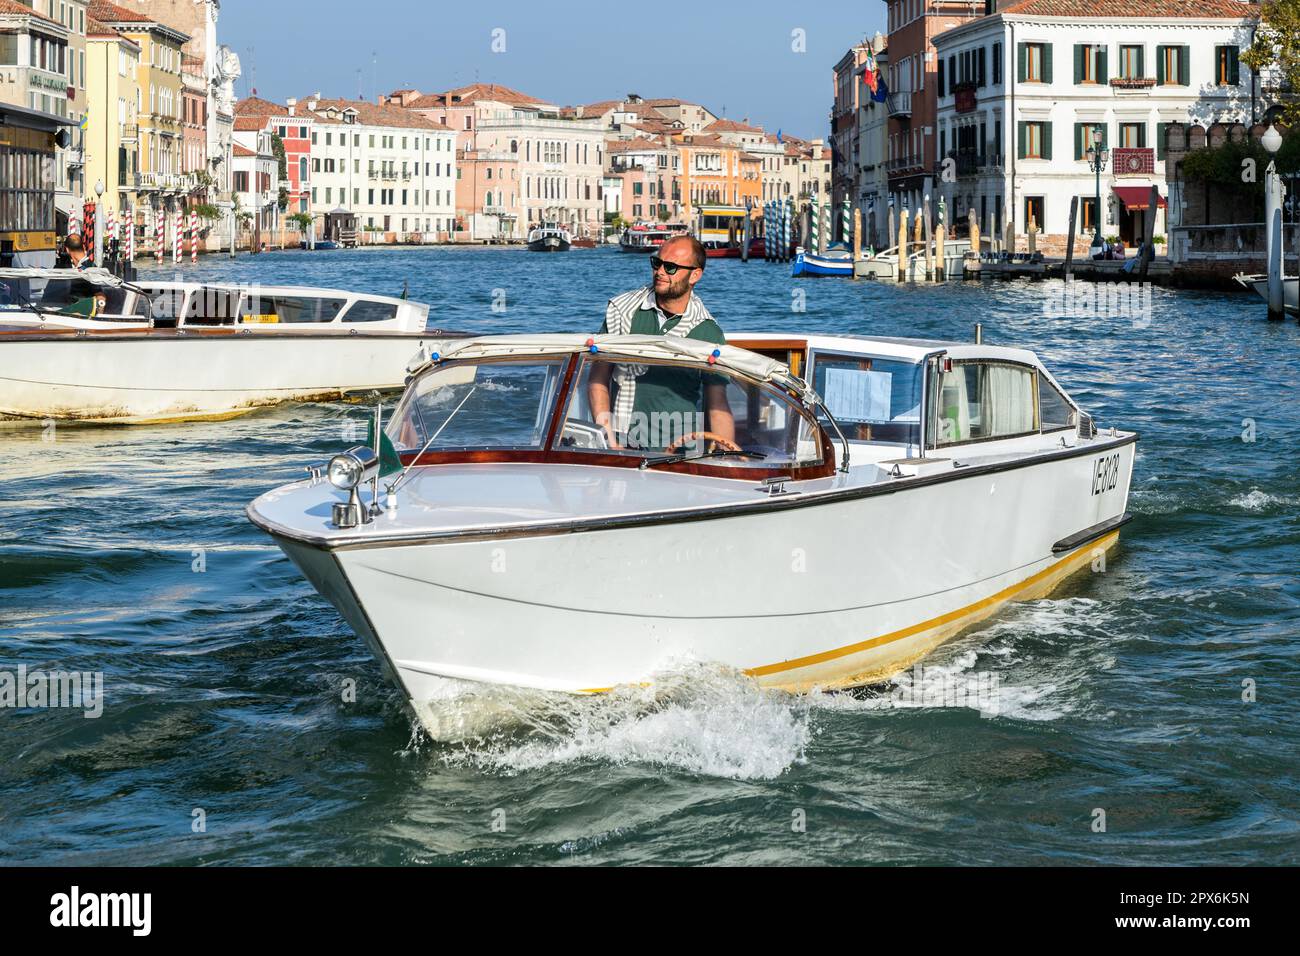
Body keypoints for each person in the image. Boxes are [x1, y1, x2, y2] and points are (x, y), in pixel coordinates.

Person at [588, 235, 735, 451]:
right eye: (657, 263)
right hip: (622, 448)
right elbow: (597, 379)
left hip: (680, 452)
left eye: (670, 267)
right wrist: (608, 439)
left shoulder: (708, 331)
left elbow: (717, 404)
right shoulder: (622, 311)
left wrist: (727, 456)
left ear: (695, 275)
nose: (660, 272)